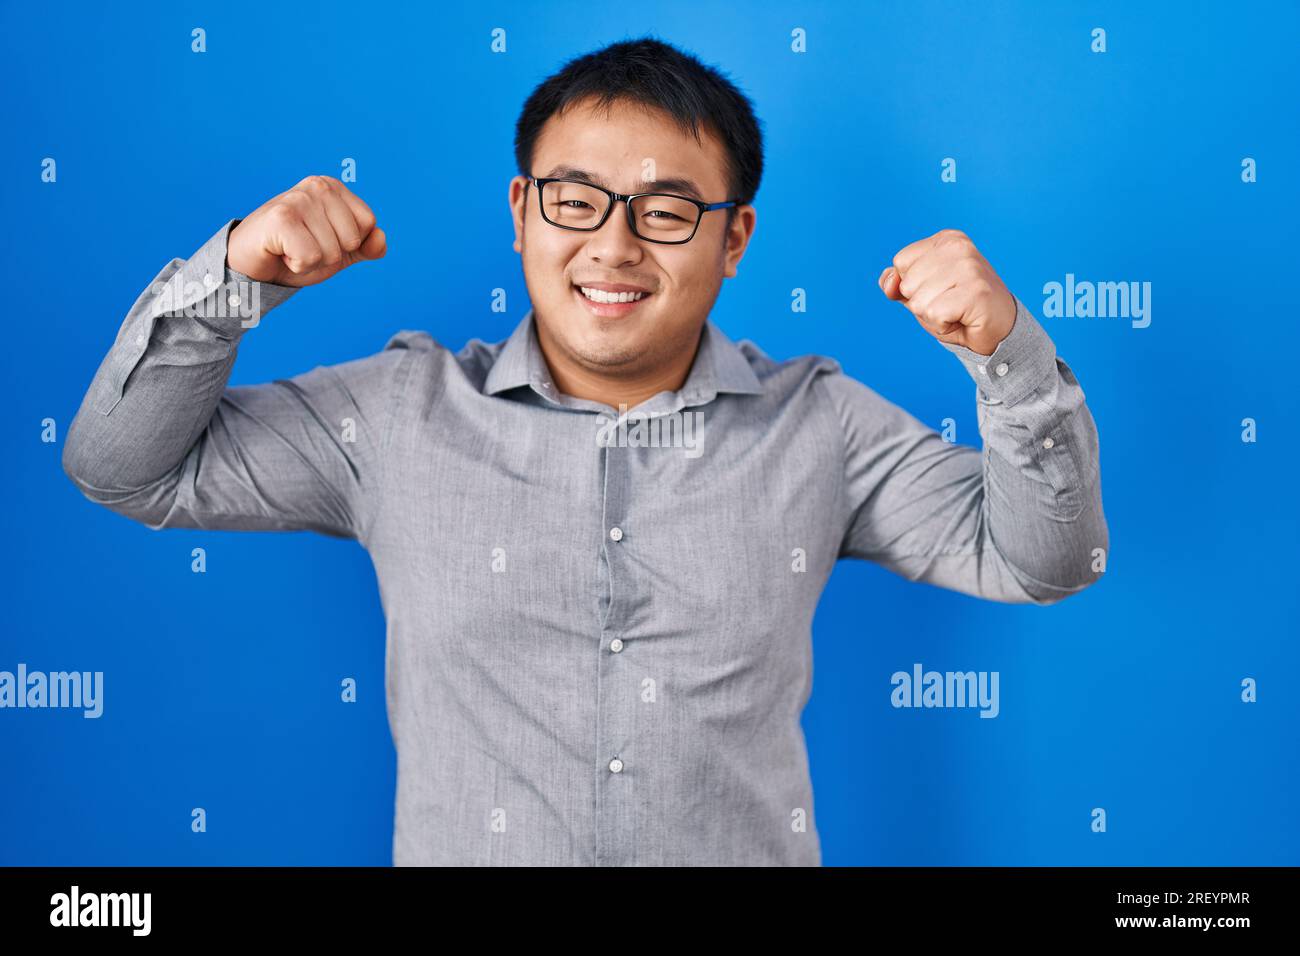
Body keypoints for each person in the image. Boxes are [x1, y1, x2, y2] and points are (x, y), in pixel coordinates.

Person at [61, 36, 1108, 866]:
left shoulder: (819, 424)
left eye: (663, 211)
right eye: (574, 201)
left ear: (733, 240)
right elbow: (124, 464)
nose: (612, 246)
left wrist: (1006, 355)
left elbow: (1038, 558)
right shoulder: (395, 413)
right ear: (522, 213)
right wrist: (234, 279)